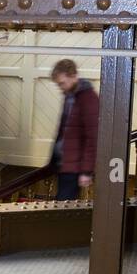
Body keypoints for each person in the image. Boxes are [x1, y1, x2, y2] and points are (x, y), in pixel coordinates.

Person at [49, 59, 99, 200]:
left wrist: (86, 171)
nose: (61, 87)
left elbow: (93, 138)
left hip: (75, 167)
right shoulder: (70, 96)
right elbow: (63, 131)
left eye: (62, 83)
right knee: (61, 206)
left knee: (62, 209)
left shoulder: (88, 99)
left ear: (73, 76)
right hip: (64, 163)